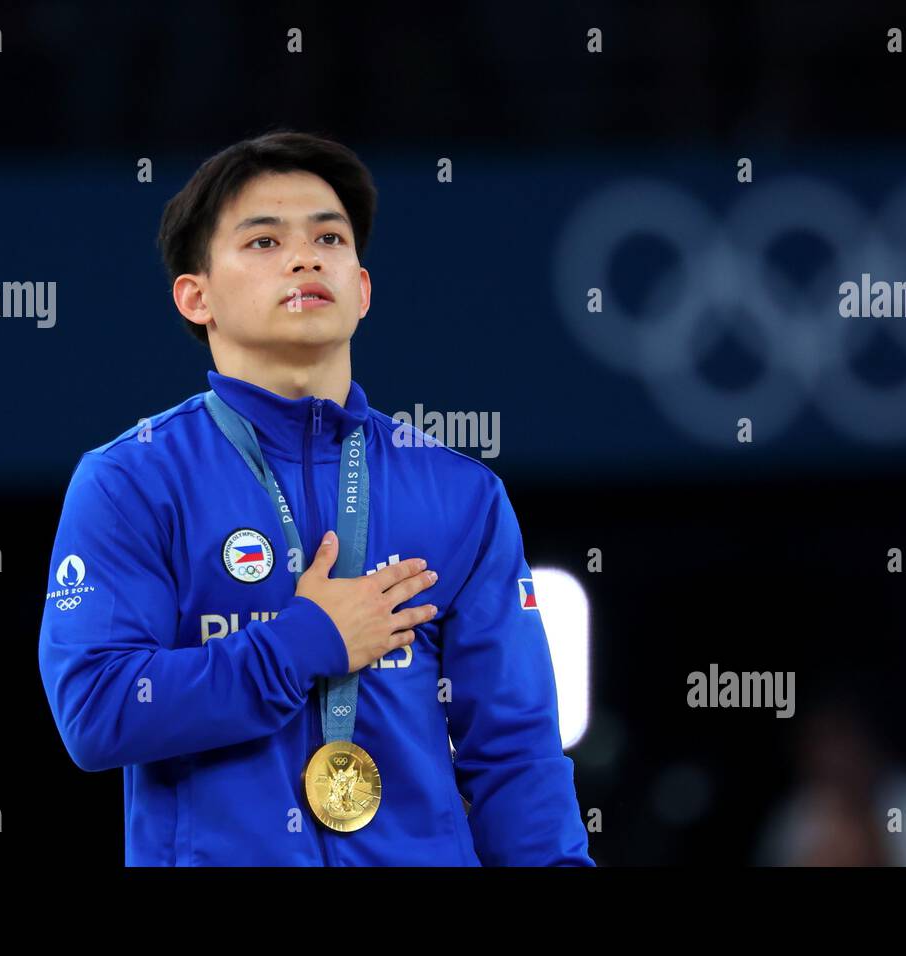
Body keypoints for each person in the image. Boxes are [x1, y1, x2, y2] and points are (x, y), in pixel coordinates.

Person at [37, 130, 594, 866]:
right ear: (195, 296)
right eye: (264, 242)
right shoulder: (131, 480)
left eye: (329, 237)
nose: (306, 257)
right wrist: (304, 642)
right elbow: (98, 710)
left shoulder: (462, 494)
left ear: (361, 289)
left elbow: (515, 751)